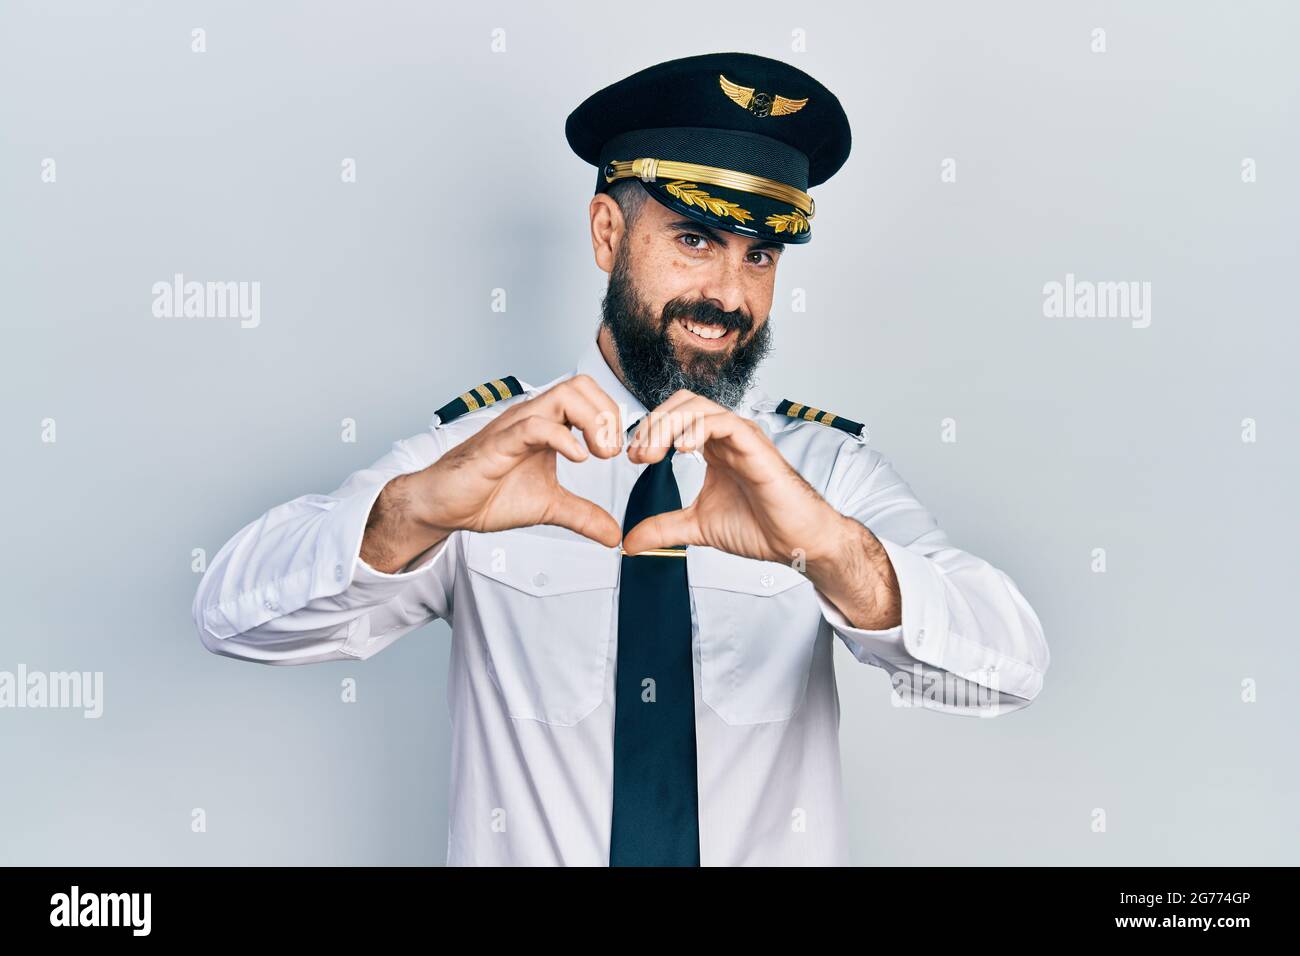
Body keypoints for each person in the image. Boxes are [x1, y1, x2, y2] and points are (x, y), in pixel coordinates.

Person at [193, 51, 1049, 866]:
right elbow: (233, 617)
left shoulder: (823, 475)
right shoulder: (487, 453)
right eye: (694, 239)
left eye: (761, 254)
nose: (729, 293)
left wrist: (830, 551)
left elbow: (1007, 671)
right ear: (608, 231)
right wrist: (411, 515)